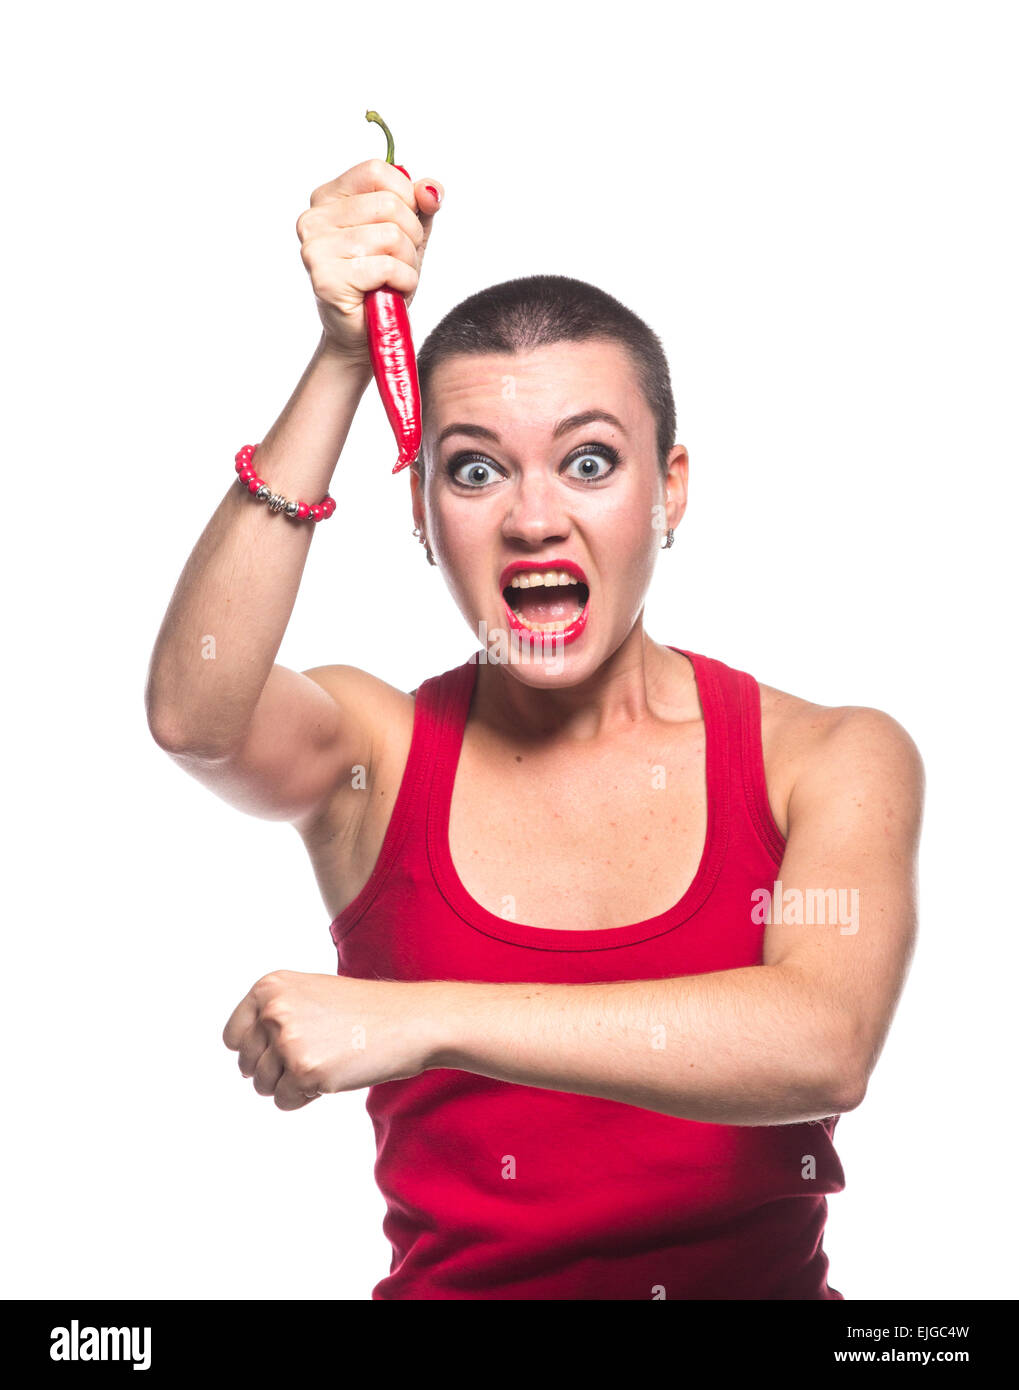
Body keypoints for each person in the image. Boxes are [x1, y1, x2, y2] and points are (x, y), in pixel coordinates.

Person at [145, 157, 924, 1300]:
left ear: (670, 491)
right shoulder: (378, 752)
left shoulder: (827, 758)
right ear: (419, 515)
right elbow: (196, 711)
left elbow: (820, 1043)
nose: (533, 517)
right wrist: (342, 362)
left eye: (590, 461)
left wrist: (419, 1019)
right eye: (472, 471)